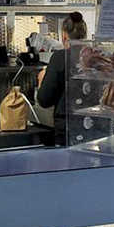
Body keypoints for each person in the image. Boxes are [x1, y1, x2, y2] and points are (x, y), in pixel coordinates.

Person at [36, 11, 87, 144]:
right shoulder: (95, 56)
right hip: (94, 126)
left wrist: (41, 79)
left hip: (68, 130)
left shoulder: (60, 58)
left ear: (64, 36)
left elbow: (44, 100)